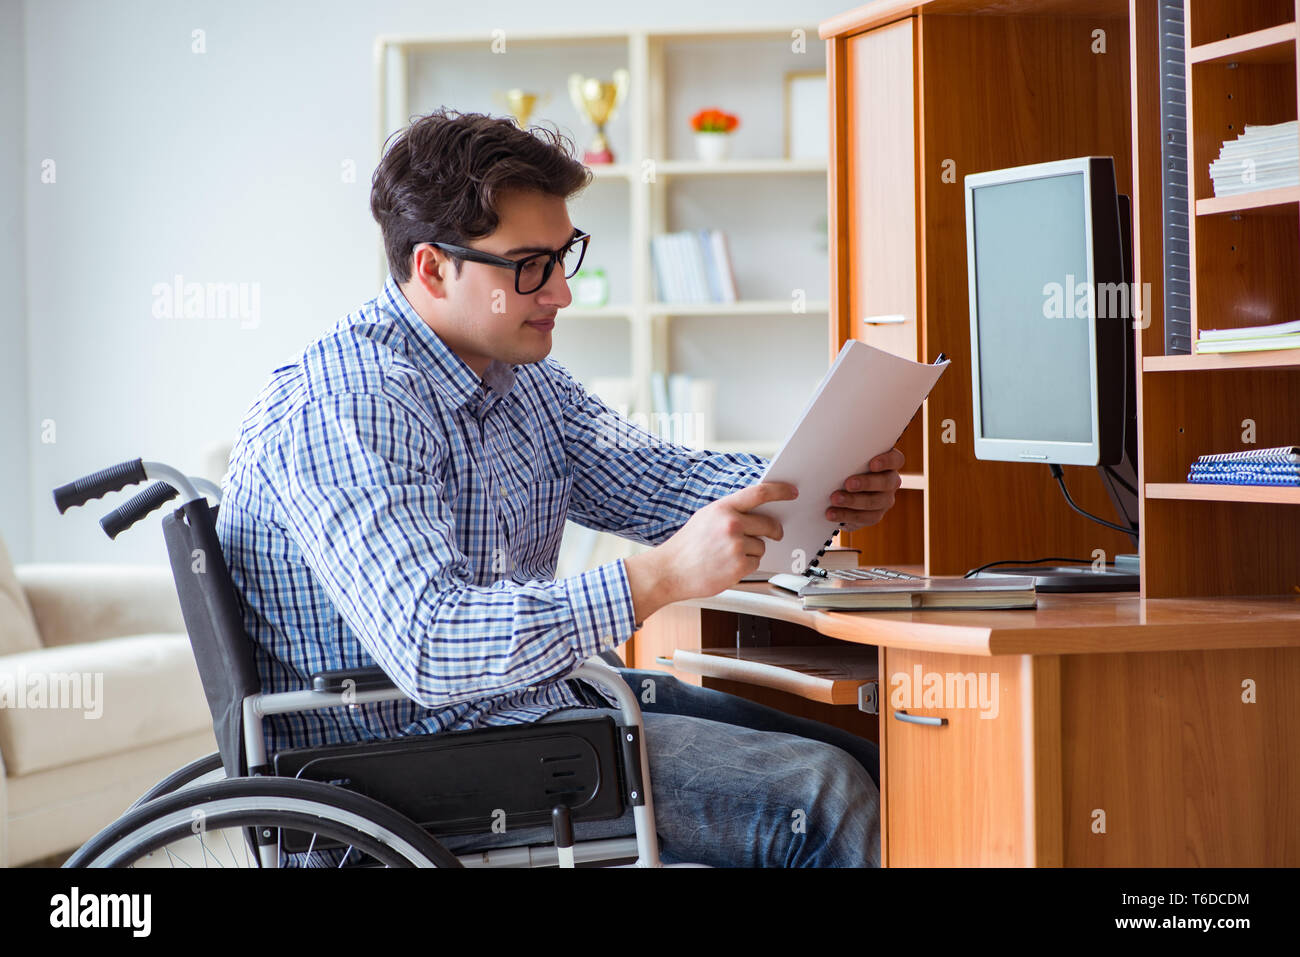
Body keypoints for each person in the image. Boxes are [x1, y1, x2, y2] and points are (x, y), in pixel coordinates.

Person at [216, 108, 905, 867]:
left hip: (531, 712)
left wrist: (816, 483)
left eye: (563, 254)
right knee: (826, 796)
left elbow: (657, 478)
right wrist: (659, 577)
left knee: (882, 755)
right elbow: (432, 644)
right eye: (528, 265)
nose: (561, 294)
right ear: (432, 267)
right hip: (415, 764)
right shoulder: (349, 406)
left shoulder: (519, 380)